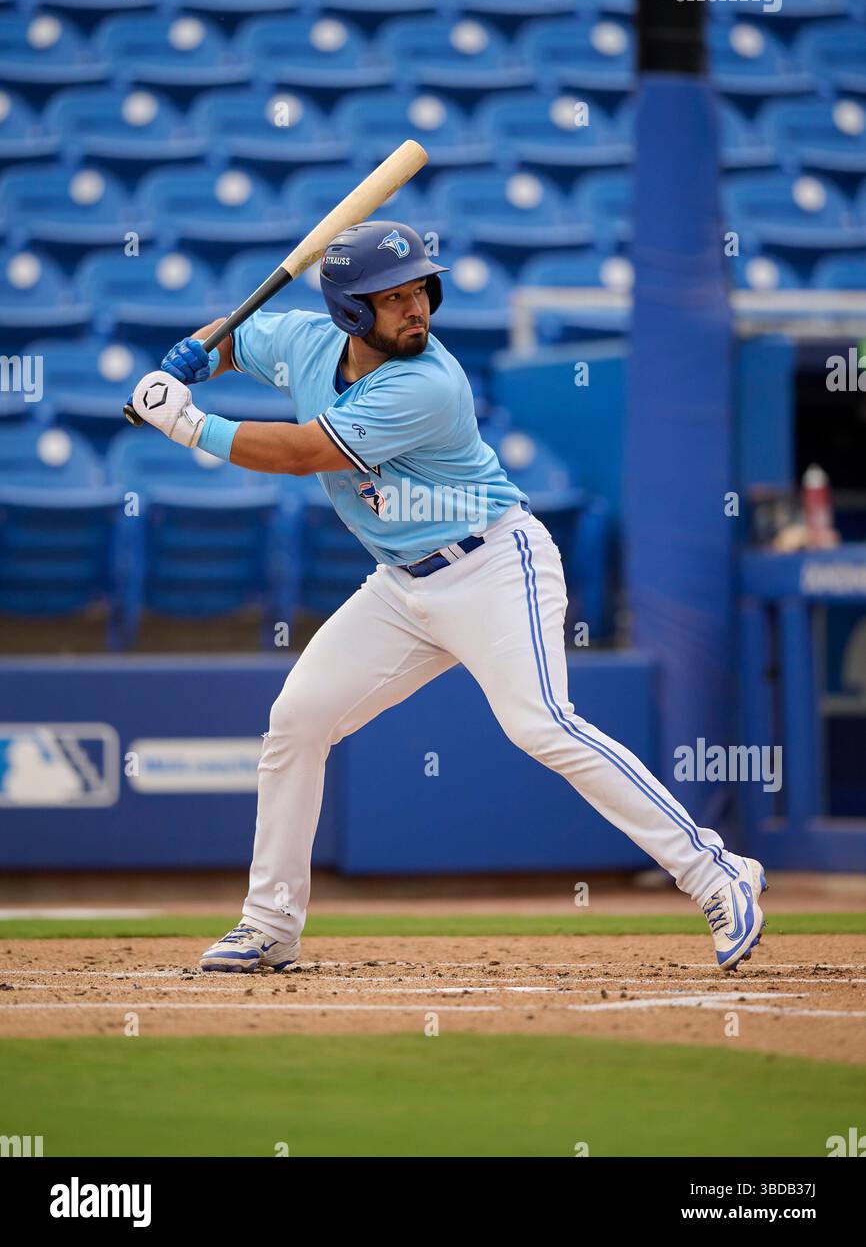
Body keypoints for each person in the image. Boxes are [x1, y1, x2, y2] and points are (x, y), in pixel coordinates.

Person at [129, 220, 767, 975]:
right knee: (297, 723)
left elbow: (304, 455)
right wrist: (201, 354)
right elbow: (237, 338)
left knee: (542, 725)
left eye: (420, 292)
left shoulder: (427, 382)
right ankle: (270, 923)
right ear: (350, 313)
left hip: (494, 564)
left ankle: (715, 872)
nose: (416, 310)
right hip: (402, 584)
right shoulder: (304, 339)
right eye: (391, 298)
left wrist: (188, 420)